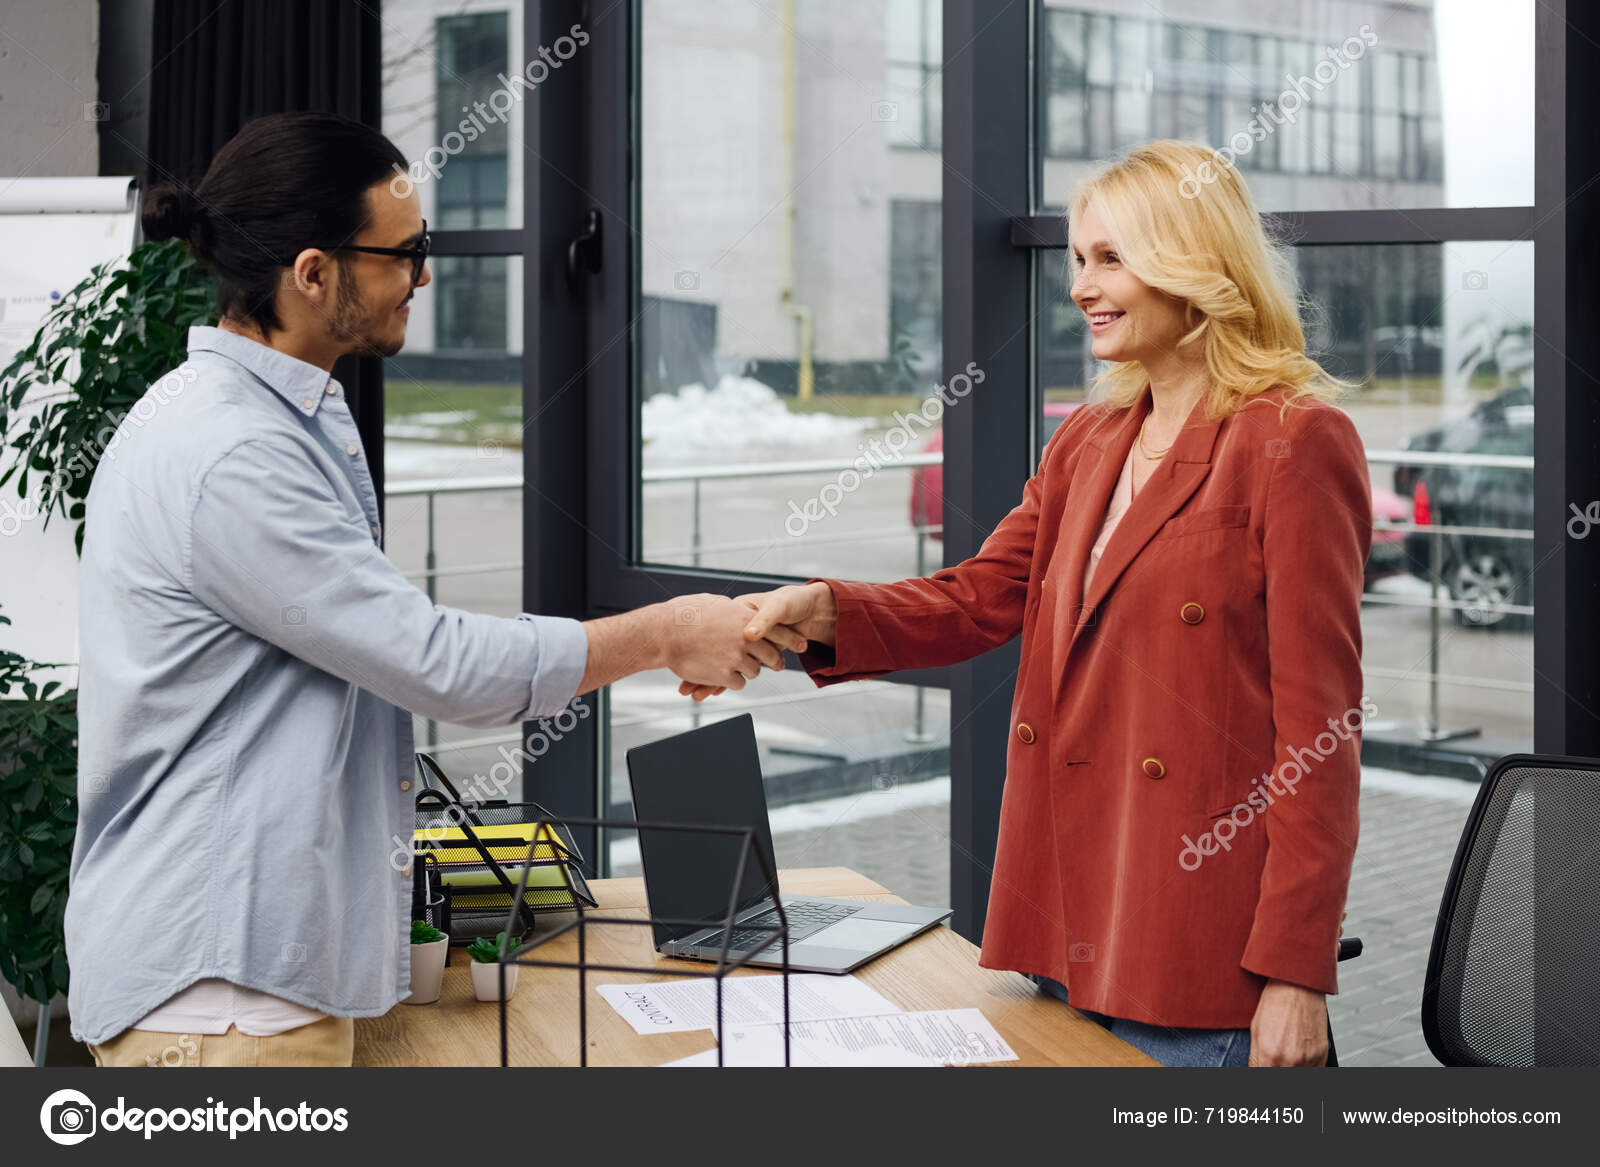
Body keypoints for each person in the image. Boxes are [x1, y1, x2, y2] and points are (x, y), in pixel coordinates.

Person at [68, 112, 801, 1067]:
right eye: (404, 251)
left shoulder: (252, 418)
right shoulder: (236, 454)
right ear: (313, 273)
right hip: (225, 1006)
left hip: (249, 982)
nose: (423, 273)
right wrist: (663, 632)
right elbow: (437, 663)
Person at [698, 141, 1371, 1067]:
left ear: (1191, 261)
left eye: (1110, 258)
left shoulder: (1294, 442)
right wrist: (824, 609)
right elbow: (977, 599)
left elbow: (1321, 739)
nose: (1080, 287)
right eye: (1076, 261)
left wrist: (1298, 974)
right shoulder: (1090, 438)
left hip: (1202, 966)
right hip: (1064, 926)